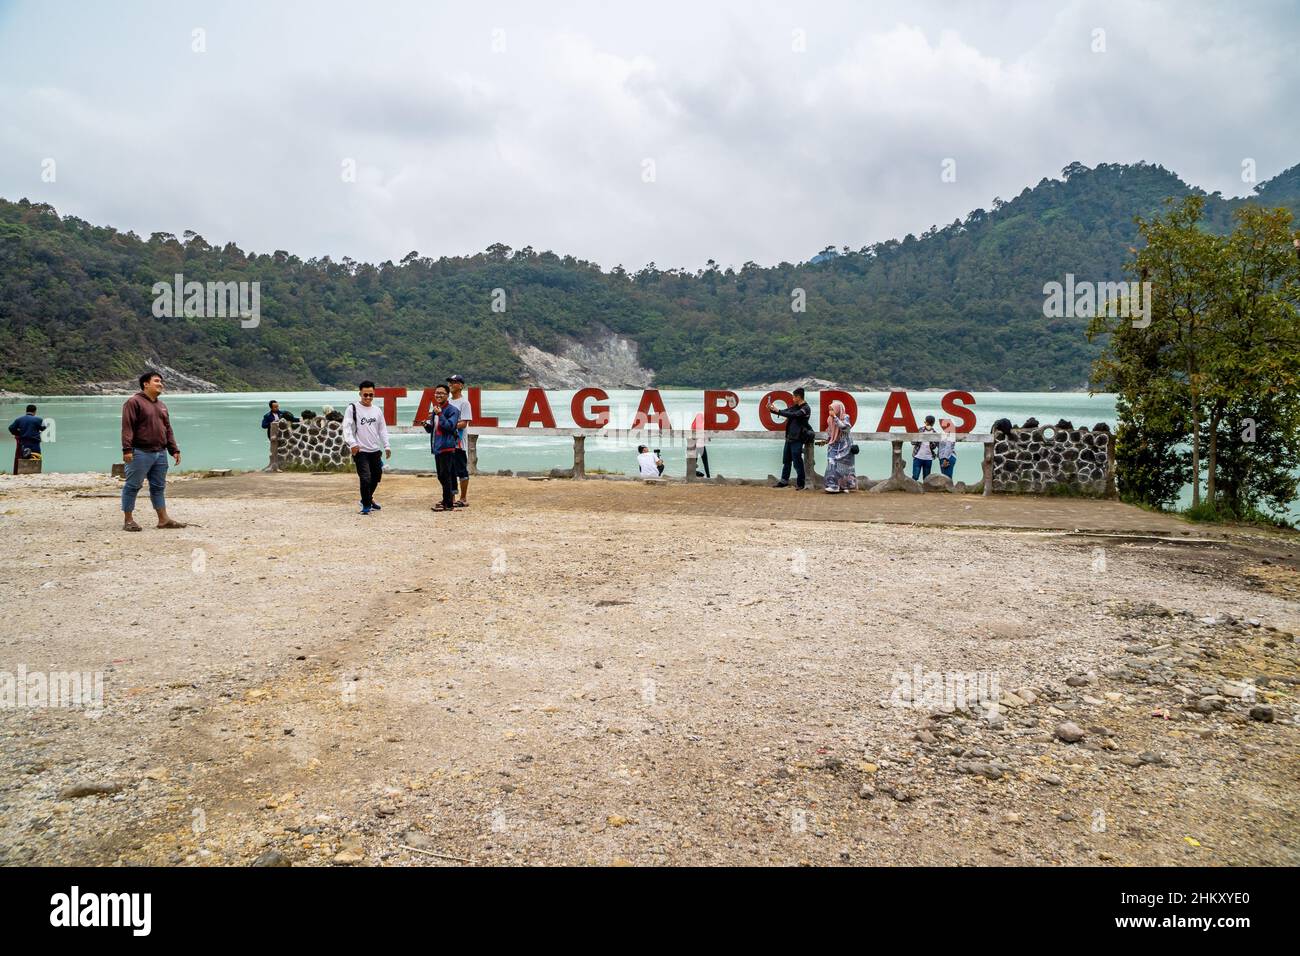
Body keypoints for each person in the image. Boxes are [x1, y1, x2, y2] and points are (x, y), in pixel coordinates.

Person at [120, 372, 185, 531]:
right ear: (145, 384)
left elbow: (167, 429)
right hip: (140, 452)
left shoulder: (162, 405)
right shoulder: (133, 402)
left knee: (158, 487)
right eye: (156, 381)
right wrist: (127, 449)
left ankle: (163, 520)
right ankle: (128, 520)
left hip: (160, 452)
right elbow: (127, 427)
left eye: (161, 381)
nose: (160, 384)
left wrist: (173, 449)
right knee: (133, 485)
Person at [342, 381, 391, 515]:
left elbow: (382, 429)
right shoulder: (352, 409)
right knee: (365, 478)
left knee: (376, 477)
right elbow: (346, 427)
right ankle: (366, 506)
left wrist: (387, 445)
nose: (368, 397)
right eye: (365, 395)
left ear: (374, 394)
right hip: (360, 451)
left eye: (371, 395)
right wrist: (352, 443)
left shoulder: (377, 410)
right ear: (360, 394)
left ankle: (367, 499)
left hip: (375, 450)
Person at [421, 384, 460, 512]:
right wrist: (426, 425)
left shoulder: (452, 410)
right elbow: (433, 429)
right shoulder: (436, 410)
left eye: (442, 393)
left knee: (446, 475)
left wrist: (440, 414)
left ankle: (448, 504)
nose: (439, 395)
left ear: (447, 395)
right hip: (437, 447)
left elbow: (450, 426)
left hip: (447, 447)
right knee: (441, 476)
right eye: (437, 393)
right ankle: (446, 500)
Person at [769, 388, 812, 489]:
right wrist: (772, 409)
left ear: (798, 397)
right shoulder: (796, 407)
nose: (792, 398)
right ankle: (784, 481)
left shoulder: (805, 408)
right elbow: (786, 412)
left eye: (793, 396)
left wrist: (778, 411)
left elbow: (794, 415)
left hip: (798, 437)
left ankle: (801, 483)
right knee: (786, 460)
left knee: (797, 461)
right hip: (789, 437)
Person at [816, 399, 856, 493]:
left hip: (845, 446)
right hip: (834, 445)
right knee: (831, 463)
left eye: (832, 409)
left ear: (838, 409)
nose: (830, 412)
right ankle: (833, 485)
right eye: (830, 409)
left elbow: (844, 428)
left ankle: (845, 486)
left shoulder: (845, 417)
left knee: (844, 466)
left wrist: (835, 417)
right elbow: (830, 432)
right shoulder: (830, 419)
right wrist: (826, 441)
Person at [446, 374, 472, 508]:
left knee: (461, 470)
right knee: (449, 470)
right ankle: (451, 497)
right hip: (447, 442)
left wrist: (448, 424)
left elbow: (464, 423)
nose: (451, 384)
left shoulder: (464, 402)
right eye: (450, 382)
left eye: (454, 382)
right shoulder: (447, 402)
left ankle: (463, 498)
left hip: (459, 443)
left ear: (461, 386)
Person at [911, 414, 937, 481]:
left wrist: (930, 441)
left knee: (926, 478)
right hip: (918, 456)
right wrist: (920, 439)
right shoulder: (920, 430)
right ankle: (914, 490)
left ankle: (923, 490)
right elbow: (913, 442)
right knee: (915, 476)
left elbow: (934, 447)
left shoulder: (934, 433)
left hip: (928, 458)